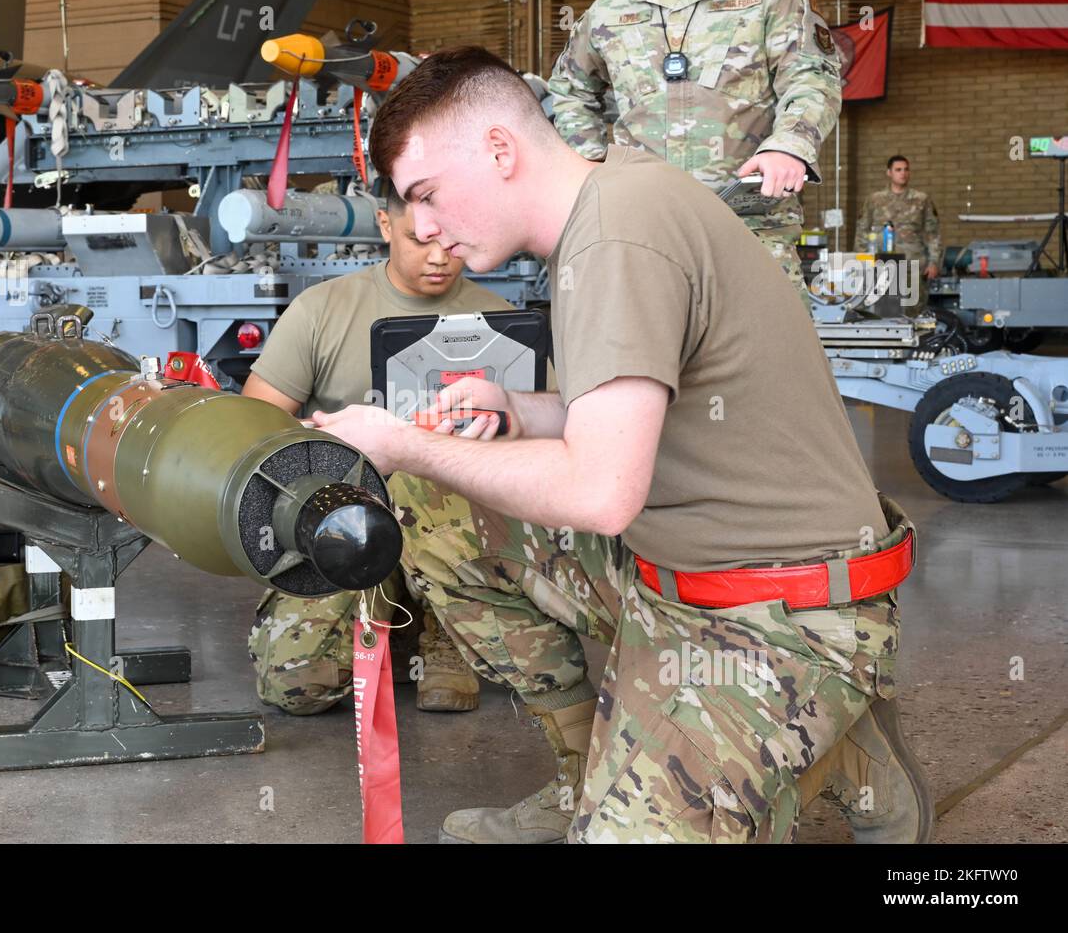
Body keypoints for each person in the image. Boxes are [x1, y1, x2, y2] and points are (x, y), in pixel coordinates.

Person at [312, 46, 932, 844]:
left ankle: (832, 746)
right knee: (435, 517)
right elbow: (628, 411)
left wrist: (402, 442)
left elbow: (600, 492)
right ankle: (589, 777)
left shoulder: (616, 237)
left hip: (786, 612)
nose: (421, 227)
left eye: (426, 194)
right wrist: (518, 409)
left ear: (500, 150)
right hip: (678, 573)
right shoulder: (614, 202)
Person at [243, 184, 514, 715]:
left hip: (463, 534)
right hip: (344, 526)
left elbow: (543, 441)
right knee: (299, 685)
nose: (439, 257)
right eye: (419, 239)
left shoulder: (500, 323)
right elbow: (258, 429)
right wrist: (336, 436)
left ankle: (443, 631)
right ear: (387, 227)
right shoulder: (322, 311)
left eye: (453, 241)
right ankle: (394, 617)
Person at [548, 0, 842, 299]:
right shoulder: (610, 7)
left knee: (772, 344)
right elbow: (570, 90)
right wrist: (590, 167)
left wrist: (788, 145)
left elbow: (811, 77)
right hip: (640, 232)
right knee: (640, 346)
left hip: (749, 229)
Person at [854, 154, 942, 315]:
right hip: (881, 264)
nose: (903, 173)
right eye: (898, 169)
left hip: (913, 263)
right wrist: (861, 262)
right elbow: (862, 231)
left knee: (913, 310)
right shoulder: (875, 200)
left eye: (906, 169)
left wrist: (934, 262)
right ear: (889, 172)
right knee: (880, 311)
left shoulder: (921, 199)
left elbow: (933, 233)